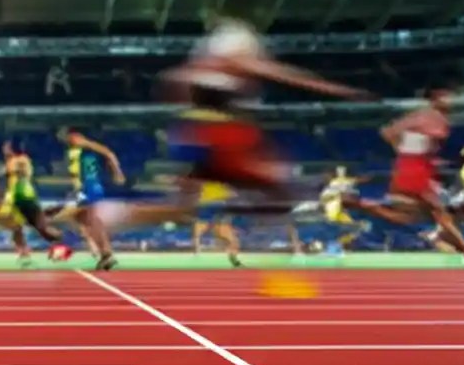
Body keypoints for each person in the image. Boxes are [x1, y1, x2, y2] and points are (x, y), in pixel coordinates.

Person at [95, 18, 370, 241]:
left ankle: (113, 215)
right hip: (221, 136)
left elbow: (169, 83)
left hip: (191, 134)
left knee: (182, 209)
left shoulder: (197, 68)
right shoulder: (230, 62)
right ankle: (265, 231)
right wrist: (337, 89)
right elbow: (282, 74)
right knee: (278, 185)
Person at [342, 87, 464, 268]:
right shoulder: (425, 115)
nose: (452, 99)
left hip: (421, 166)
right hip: (413, 167)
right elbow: (388, 131)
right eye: (448, 95)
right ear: (435, 98)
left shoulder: (437, 118)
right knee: (439, 211)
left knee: (416, 216)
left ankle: (364, 205)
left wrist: (423, 155)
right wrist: (406, 152)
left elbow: (411, 139)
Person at [56, 128, 125, 270]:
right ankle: (105, 253)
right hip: (83, 189)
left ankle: (103, 251)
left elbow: (107, 152)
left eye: (67, 137)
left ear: (75, 135)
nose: (65, 140)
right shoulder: (75, 150)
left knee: (77, 217)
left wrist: (117, 171)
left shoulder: (82, 143)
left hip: (89, 187)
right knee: (84, 220)